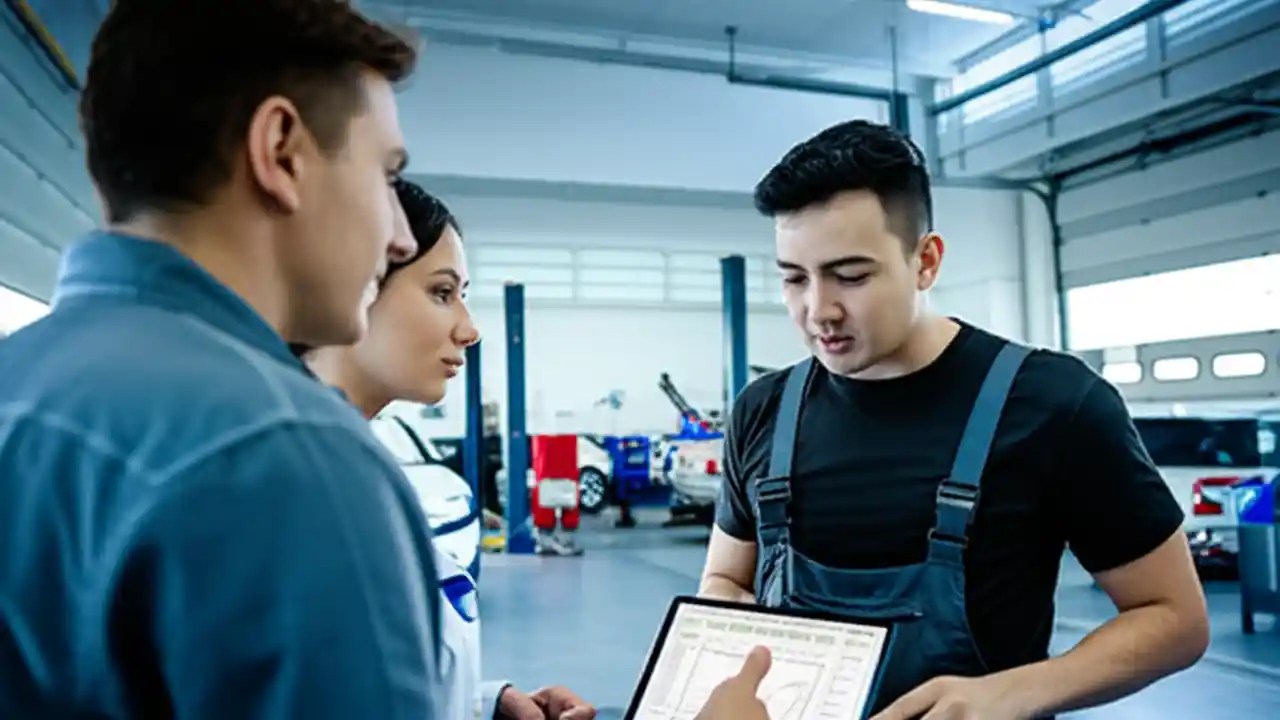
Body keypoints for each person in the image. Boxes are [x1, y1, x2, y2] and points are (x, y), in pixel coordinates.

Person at [0, 2, 450, 718]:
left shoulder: (17, 386)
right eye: (386, 175)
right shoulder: (288, 455)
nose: (399, 236)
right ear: (280, 151)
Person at [698, 120, 1210, 719]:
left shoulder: (1054, 404)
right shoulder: (763, 410)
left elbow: (1176, 617)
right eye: (793, 278)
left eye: (851, 276)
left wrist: (1016, 692)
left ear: (926, 262)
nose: (818, 310)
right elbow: (727, 581)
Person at [299, 178, 596, 720]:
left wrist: (486, 703)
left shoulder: (362, 468)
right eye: (441, 293)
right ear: (355, 286)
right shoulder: (299, 494)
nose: (469, 328)